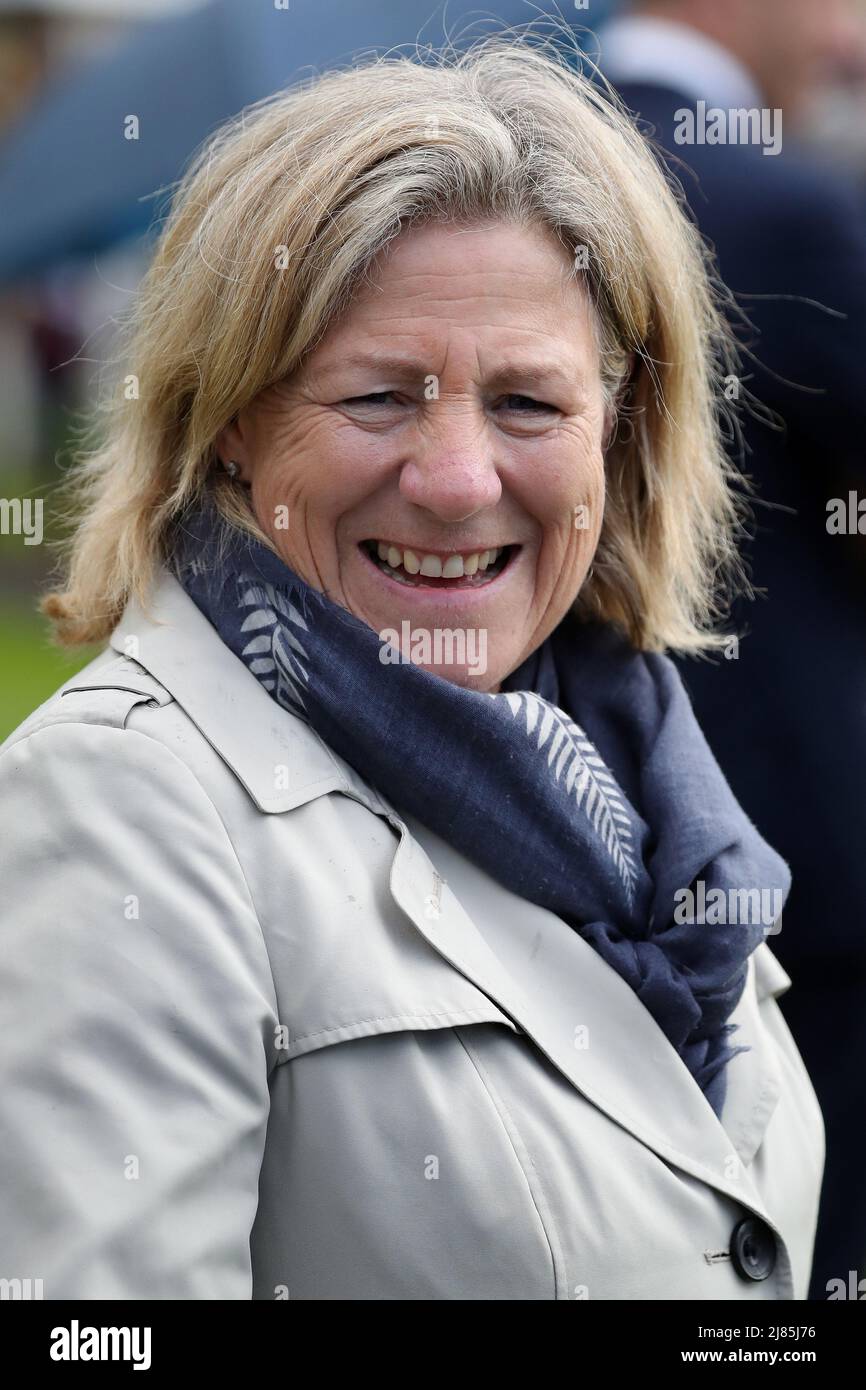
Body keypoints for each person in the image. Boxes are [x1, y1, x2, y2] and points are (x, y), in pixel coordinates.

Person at [0, 35, 824, 1300]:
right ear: (226, 422)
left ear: (621, 432)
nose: (453, 480)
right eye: (379, 397)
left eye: (527, 406)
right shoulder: (123, 803)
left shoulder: (649, 787)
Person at [600, 0, 866, 1299]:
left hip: (578, 822)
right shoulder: (789, 207)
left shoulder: (538, 168)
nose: (846, 33)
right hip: (812, 848)